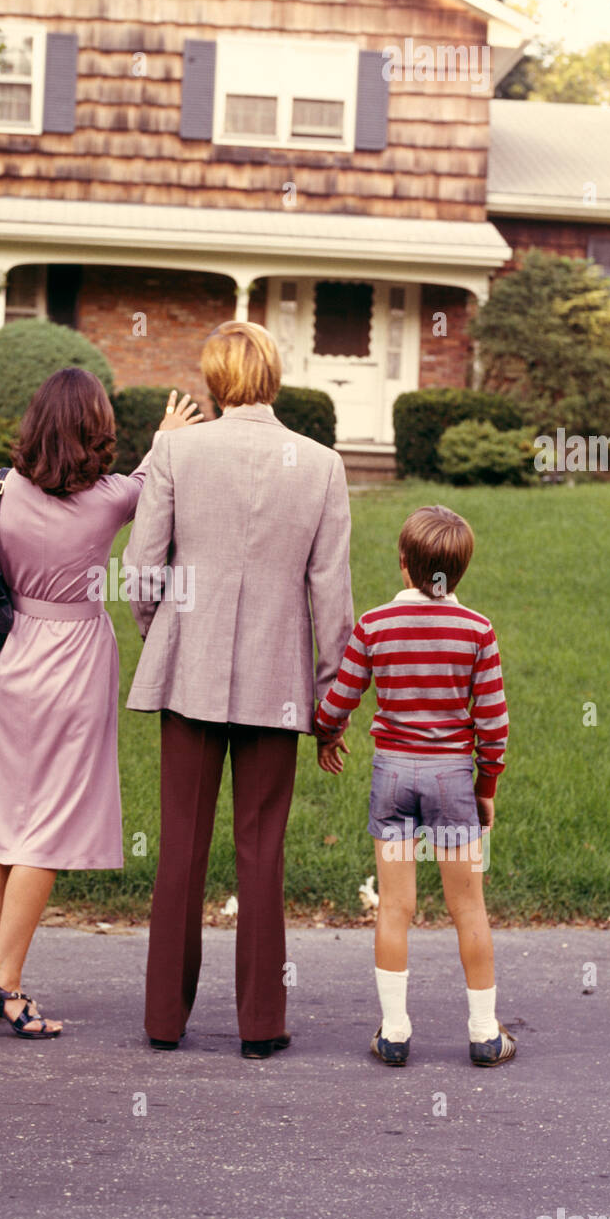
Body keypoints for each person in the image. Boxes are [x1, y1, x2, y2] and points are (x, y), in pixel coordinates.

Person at [0, 368, 200, 1039]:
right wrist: (164, 439)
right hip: (76, 658)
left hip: (8, 659)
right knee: (47, 830)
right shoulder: (110, 499)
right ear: (95, 430)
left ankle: (2, 976)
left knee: (3, 823)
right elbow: (149, 486)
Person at [124, 321, 353, 1059]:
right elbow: (333, 597)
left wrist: (161, 633)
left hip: (187, 667)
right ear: (274, 376)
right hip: (279, 679)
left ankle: (164, 1019)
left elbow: (141, 569)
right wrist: (330, 700)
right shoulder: (320, 465)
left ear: (214, 379)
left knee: (179, 849)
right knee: (262, 851)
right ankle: (261, 1024)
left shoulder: (175, 449)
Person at [313, 504, 515, 1067]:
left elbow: (339, 701)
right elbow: (493, 722)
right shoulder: (478, 630)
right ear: (461, 571)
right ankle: (483, 1033)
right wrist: (487, 784)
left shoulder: (374, 626)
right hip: (453, 778)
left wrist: (326, 734)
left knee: (395, 907)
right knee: (468, 905)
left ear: (403, 564)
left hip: (393, 774)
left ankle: (395, 1031)